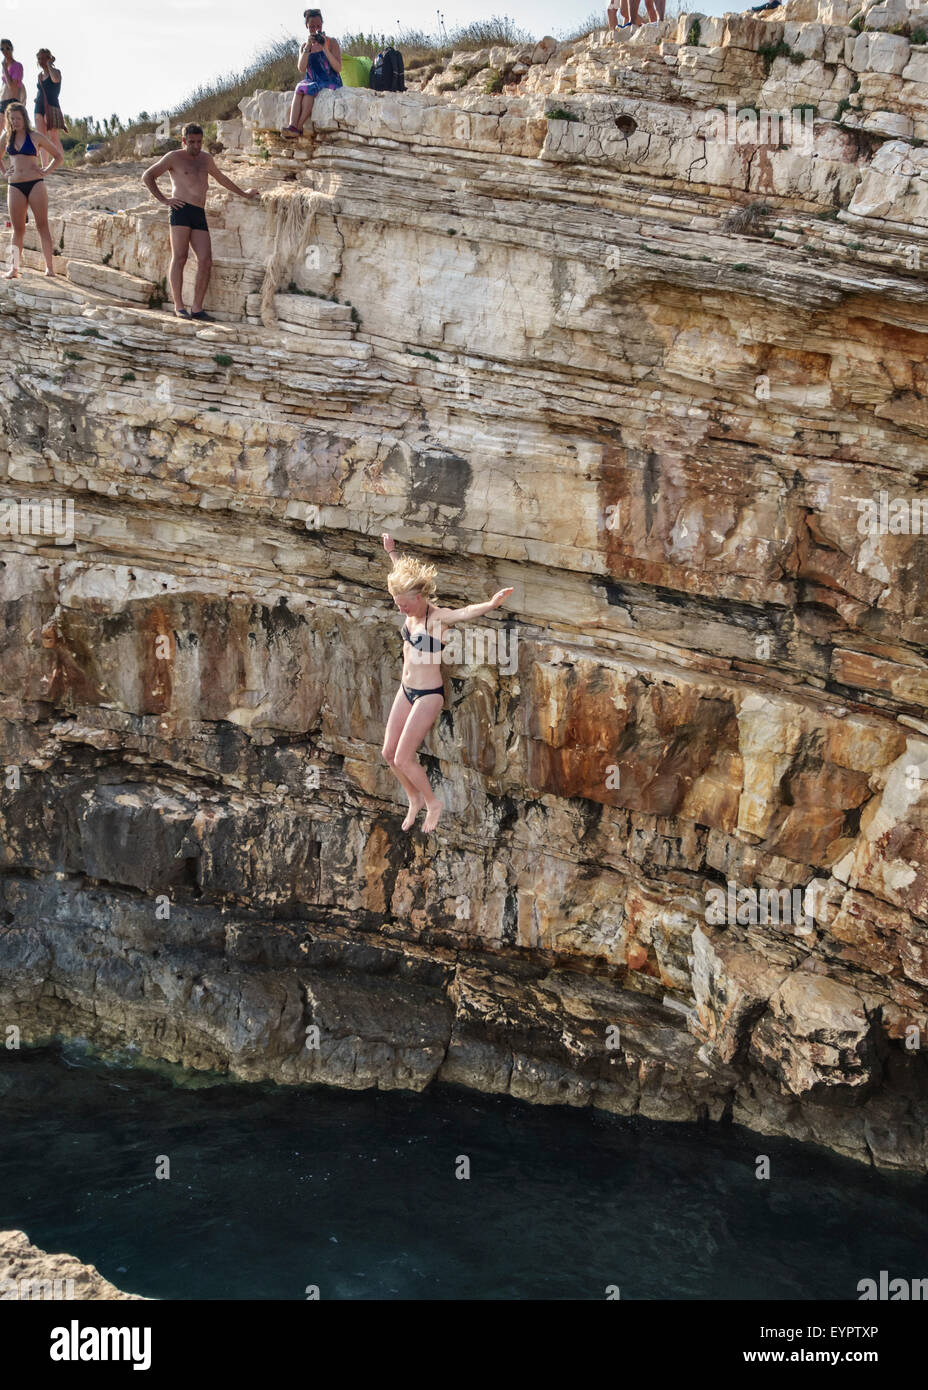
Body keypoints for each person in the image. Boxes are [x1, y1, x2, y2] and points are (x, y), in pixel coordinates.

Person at [381, 533, 513, 833]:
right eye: (397, 604)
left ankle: (432, 802)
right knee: (388, 754)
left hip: (428, 695)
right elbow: (402, 576)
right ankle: (413, 797)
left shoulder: (437, 618)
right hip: (406, 689)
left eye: (404, 605)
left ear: (419, 598)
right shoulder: (408, 603)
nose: (401, 609)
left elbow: (464, 613)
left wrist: (491, 605)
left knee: (403, 757)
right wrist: (392, 553)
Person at [141, 123, 259, 320]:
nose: (196, 146)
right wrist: (164, 200)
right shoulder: (173, 157)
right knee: (180, 257)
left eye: (199, 142)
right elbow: (148, 176)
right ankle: (179, 306)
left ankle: (197, 308)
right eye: (192, 142)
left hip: (198, 212)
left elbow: (221, 178)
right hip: (180, 210)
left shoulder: (206, 159)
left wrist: (244, 194)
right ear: (184, 140)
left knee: (205, 260)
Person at [0, 102, 61, 277]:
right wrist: (5, 171)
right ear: (8, 120)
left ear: (24, 118)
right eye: (12, 119)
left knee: (43, 226)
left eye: (18, 118)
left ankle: (49, 268)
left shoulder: (36, 136)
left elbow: (58, 157)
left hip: (36, 184)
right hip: (15, 186)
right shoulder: (6, 137)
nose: (15, 122)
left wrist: (46, 170)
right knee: (17, 229)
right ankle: (14, 268)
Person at [281, 9, 342, 138]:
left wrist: (325, 48)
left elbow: (338, 68)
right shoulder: (304, 46)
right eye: (312, 27)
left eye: (318, 26)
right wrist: (308, 47)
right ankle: (292, 125)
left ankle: (298, 127)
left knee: (310, 89)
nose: (316, 29)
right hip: (311, 80)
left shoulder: (332, 43)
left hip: (329, 80)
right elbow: (301, 68)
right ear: (307, 27)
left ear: (322, 25)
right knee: (301, 88)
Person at [34, 49, 66, 168]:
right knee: (41, 138)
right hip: (38, 106)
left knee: (53, 137)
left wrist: (49, 65)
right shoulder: (39, 76)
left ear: (49, 58)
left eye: (44, 58)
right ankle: (45, 165)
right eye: (39, 59)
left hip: (52, 105)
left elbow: (55, 80)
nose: (42, 61)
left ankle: (60, 163)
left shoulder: (56, 72)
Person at [0, 40, 25, 115]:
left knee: (12, 126)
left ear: (12, 49)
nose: (5, 51)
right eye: (2, 49)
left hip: (12, 102)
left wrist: (4, 68)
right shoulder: (5, 66)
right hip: (2, 102)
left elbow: (12, 87)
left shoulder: (17, 65)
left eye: (7, 48)